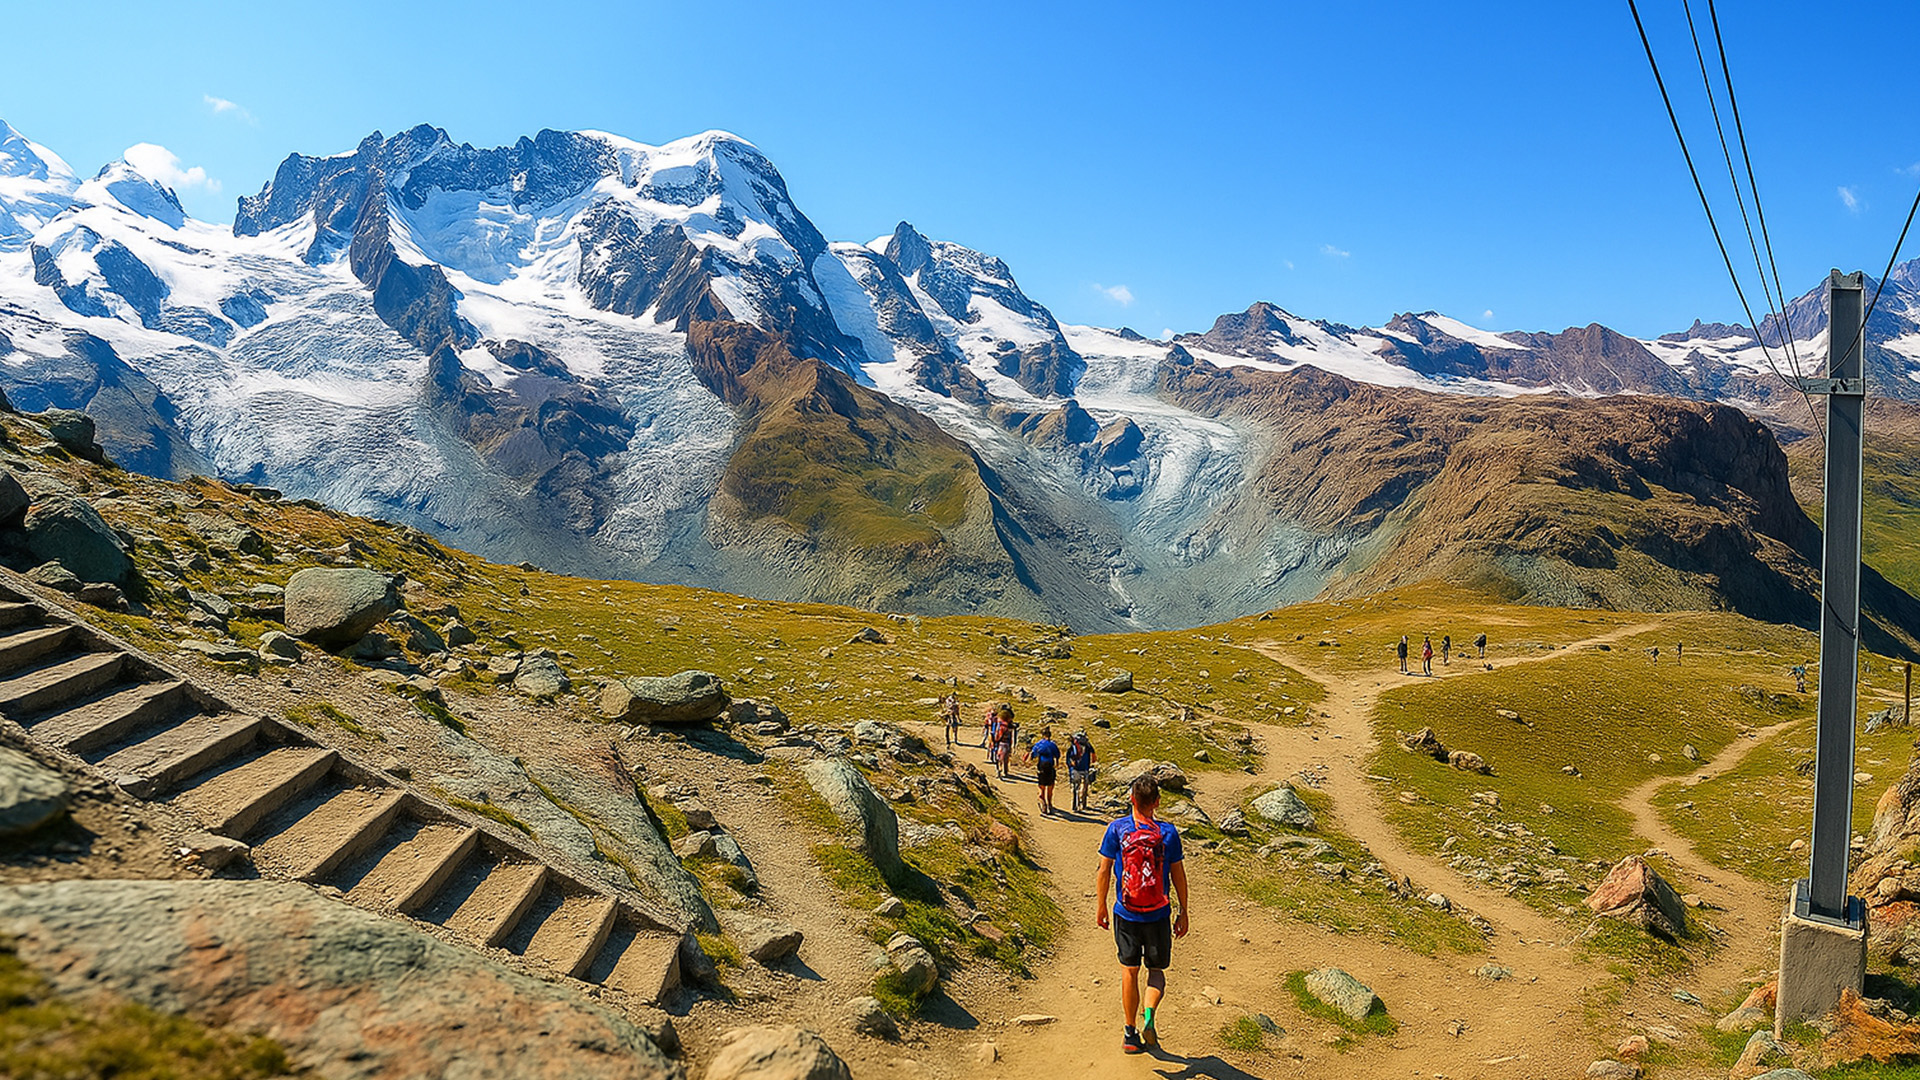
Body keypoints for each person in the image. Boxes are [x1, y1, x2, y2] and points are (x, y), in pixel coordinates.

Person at [1097, 774, 1188, 1055]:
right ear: (1157, 802)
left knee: (1129, 971)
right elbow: (1178, 875)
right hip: (1158, 913)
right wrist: (1183, 911)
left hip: (1126, 912)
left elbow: (1103, 871)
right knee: (1156, 972)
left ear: (1131, 799)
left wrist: (1101, 905)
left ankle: (1129, 1033)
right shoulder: (1168, 833)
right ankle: (1149, 1015)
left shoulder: (1117, 829)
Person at [1027, 726, 1062, 815]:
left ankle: (1043, 806)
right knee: (1050, 788)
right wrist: (1057, 764)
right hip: (1050, 767)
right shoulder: (1053, 745)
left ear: (1042, 735)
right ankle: (1050, 804)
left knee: (1041, 788)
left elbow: (1033, 754)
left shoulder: (1038, 744)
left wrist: (1028, 762)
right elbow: (1057, 756)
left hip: (1041, 767)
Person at [1066, 731, 1097, 814]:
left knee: (1076, 788)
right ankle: (1083, 804)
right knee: (1084, 787)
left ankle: (1075, 806)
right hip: (1085, 768)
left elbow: (1068, 759)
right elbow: (1094, 758)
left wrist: (1070, 767)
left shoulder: (1072, 747)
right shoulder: (1088, 746)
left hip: (1075, 769)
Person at [991, 705, 1016, 779]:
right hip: (1007, 743)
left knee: (999, 758)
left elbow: (998, 736)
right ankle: (1005, 771)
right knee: (1006, 758)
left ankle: (999, 771)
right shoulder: (1009, 726)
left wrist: (995, 739)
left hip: (1001, 744)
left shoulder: (1002, 726)